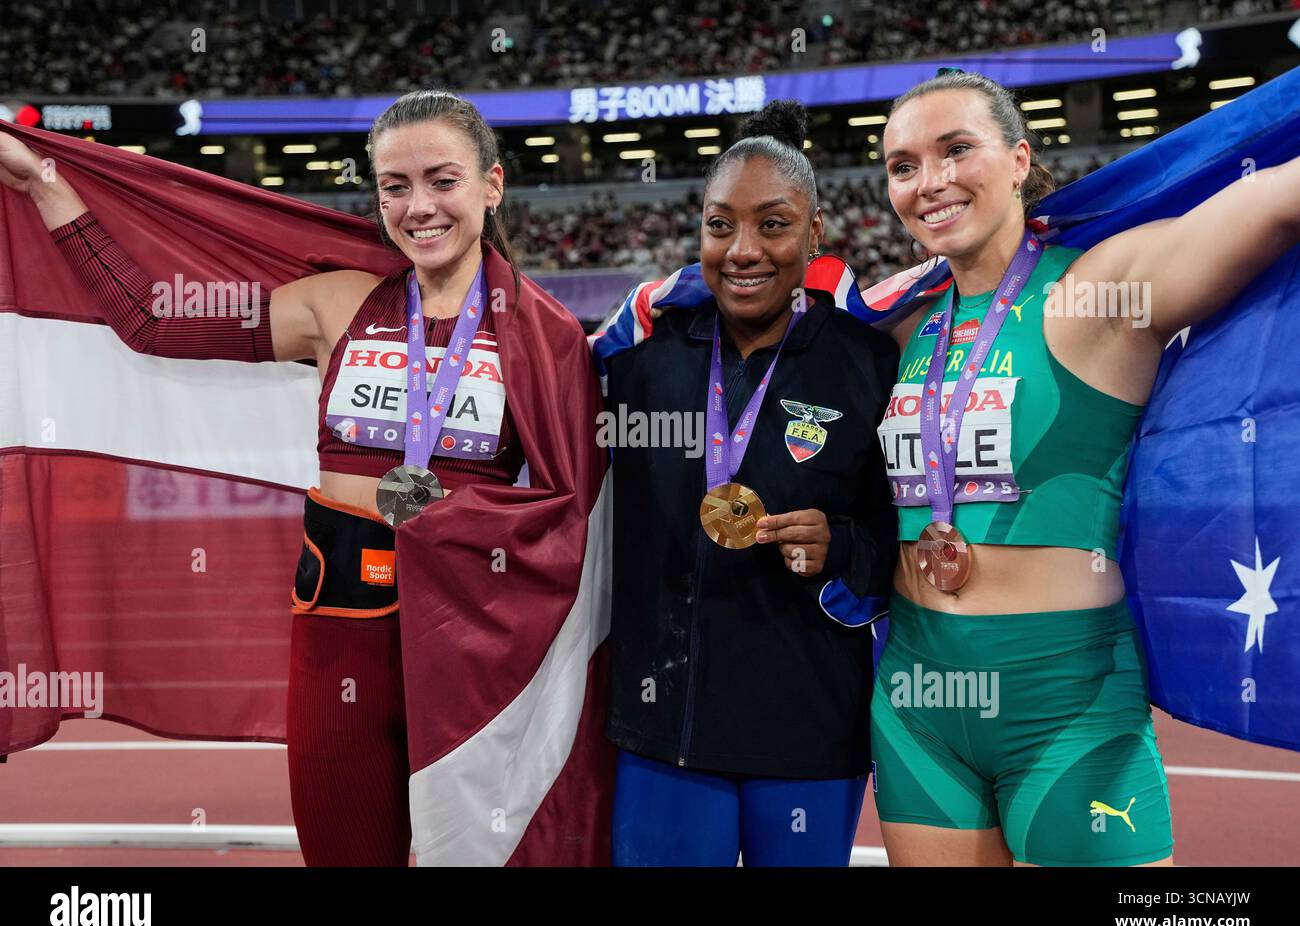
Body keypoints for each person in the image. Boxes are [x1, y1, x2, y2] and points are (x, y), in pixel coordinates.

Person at [0, 89, 605, 866]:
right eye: (395, 186)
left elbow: (567, 508)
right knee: (342, 847)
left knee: (474, 852)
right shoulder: (337, 305)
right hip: (339, 618)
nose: (419, 206)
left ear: (491, 185)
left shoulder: (546, 333)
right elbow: (151, 320)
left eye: (442, 180)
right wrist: (43, 178)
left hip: (467, 632)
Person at [870, 70, 1300, 866]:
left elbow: (1276, 199)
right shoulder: (900, 328)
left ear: (1018, 159)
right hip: (916, 696)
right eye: (903, 165)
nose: (930, 181)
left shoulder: (1098, 290)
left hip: (1064, 696)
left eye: (956, 149)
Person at [595, 100, 899, 866]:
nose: (742, 251)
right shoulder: (638, 364)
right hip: (666, 724)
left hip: (805, 724)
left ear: (815, 231)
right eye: (719, 224)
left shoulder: (864, 366)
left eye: (773, 224)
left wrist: (843, 546)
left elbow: (901, 536)